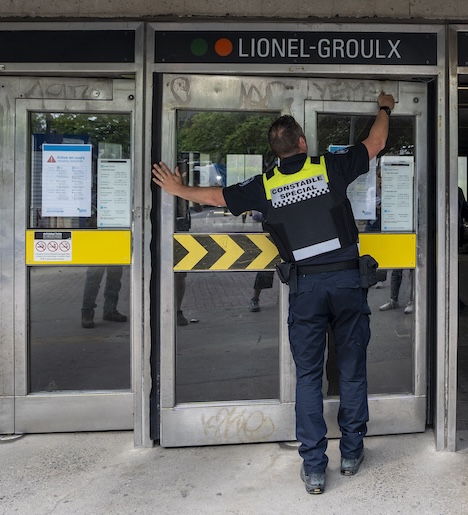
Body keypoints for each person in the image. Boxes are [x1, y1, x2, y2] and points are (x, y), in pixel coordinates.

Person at [152, 92, 395, 495]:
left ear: (276, 151)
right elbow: (376, 143)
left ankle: (315, 468)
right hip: (347, 284)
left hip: (306, 290)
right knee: (352, 370)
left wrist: (177, 188)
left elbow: (215, 197)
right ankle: (351, 454)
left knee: (309, 378)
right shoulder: (329, 166)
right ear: (302, 142)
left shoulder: (265, 184)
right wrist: (384, 107)